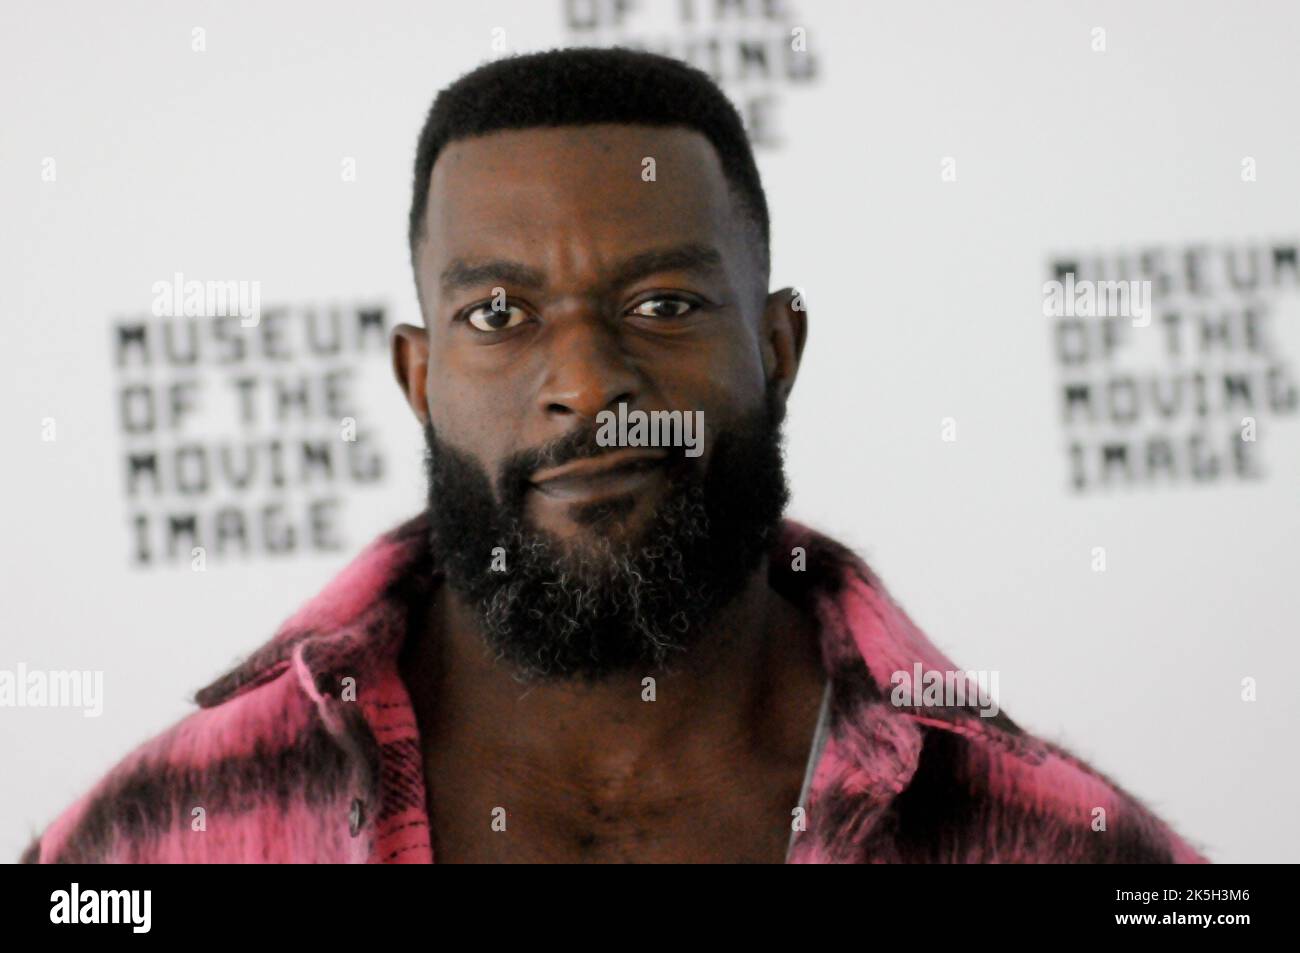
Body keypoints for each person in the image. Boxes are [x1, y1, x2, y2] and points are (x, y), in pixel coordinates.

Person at [22, 47, 1210, 863]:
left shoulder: (1050, 839)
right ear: (417, 378)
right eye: (498, 314)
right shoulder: (166, 829)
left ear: (777, 345)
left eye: (663, 304)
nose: (588, 383)